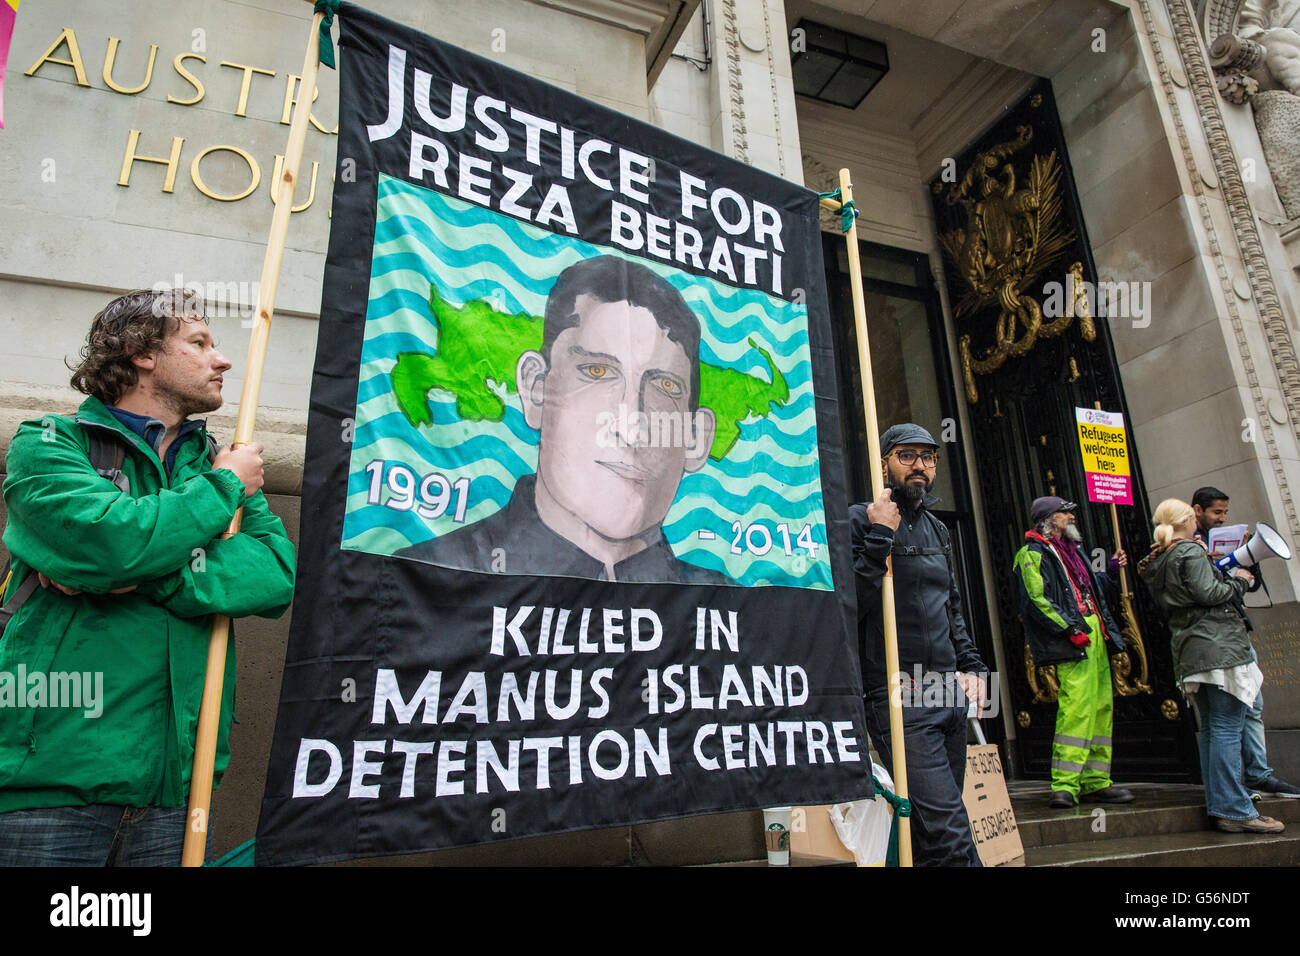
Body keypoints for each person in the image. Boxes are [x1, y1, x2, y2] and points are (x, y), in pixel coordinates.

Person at [0, 289, 296, 865]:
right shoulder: (51, 443)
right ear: (141, 354)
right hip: (47, 791)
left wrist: (128, 573)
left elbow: (275, 575)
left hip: (177, 797)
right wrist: (223, 490)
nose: (223, 360)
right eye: (200, 342)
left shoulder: (211, 458)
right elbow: (114, 543)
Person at [399, 255, 730, 584]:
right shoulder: (422, 580)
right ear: (535, 390)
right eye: (598, 372)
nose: (632, 426)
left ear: (696, 438)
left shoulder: (729, 603)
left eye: (665, 387)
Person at [850, 423, 987, 866]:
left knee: (932, 836)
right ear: (884, 461)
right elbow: (847, 605)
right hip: (896, 695)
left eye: (928, 457)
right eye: (907, 456)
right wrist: (879, 537)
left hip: (948, 693)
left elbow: (952, 609)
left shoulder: (938, 530)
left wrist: (973, 667)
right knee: (949, 832)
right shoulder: (860, 520)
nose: (920, 466)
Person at [1139, 499, 1285, 833]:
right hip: (1218, 649)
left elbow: (1192, 594)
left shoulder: (1160, 558)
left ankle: (1223, 808)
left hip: (1193, 651)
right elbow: (1209, 592)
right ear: (1189, 520)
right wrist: (1241, 581)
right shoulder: (1189, 552)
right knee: (1226, 728)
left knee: (1213, 729)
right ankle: (1235, 809)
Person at [1012, 496, 1133, 809]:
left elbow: (1089, 589)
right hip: (1073, 640)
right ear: (1049, 519)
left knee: (1101, 709)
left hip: (1093, 635)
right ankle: (1065, 785)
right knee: (1076, 711)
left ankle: (1096, 781)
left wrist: (1108, 570)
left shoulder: (1073, 552)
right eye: (1065, 513)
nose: (1071, 518)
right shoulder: (1031, 553)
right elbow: (1036, 600)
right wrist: (1070, 629)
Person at [1190, 486, 1300, 799]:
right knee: (1224, 716)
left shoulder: (1221, 540)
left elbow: (1251, 588)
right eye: (1216, 513)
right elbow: (1203, 593)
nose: (1222, 519)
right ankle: (1234, 787)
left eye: (1225, 513)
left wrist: (1247, 558)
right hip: (1214, 639)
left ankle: (1257, 774)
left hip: (1234, 632)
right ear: (1197, 510)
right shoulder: (1188, 544)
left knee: (1253, 705)